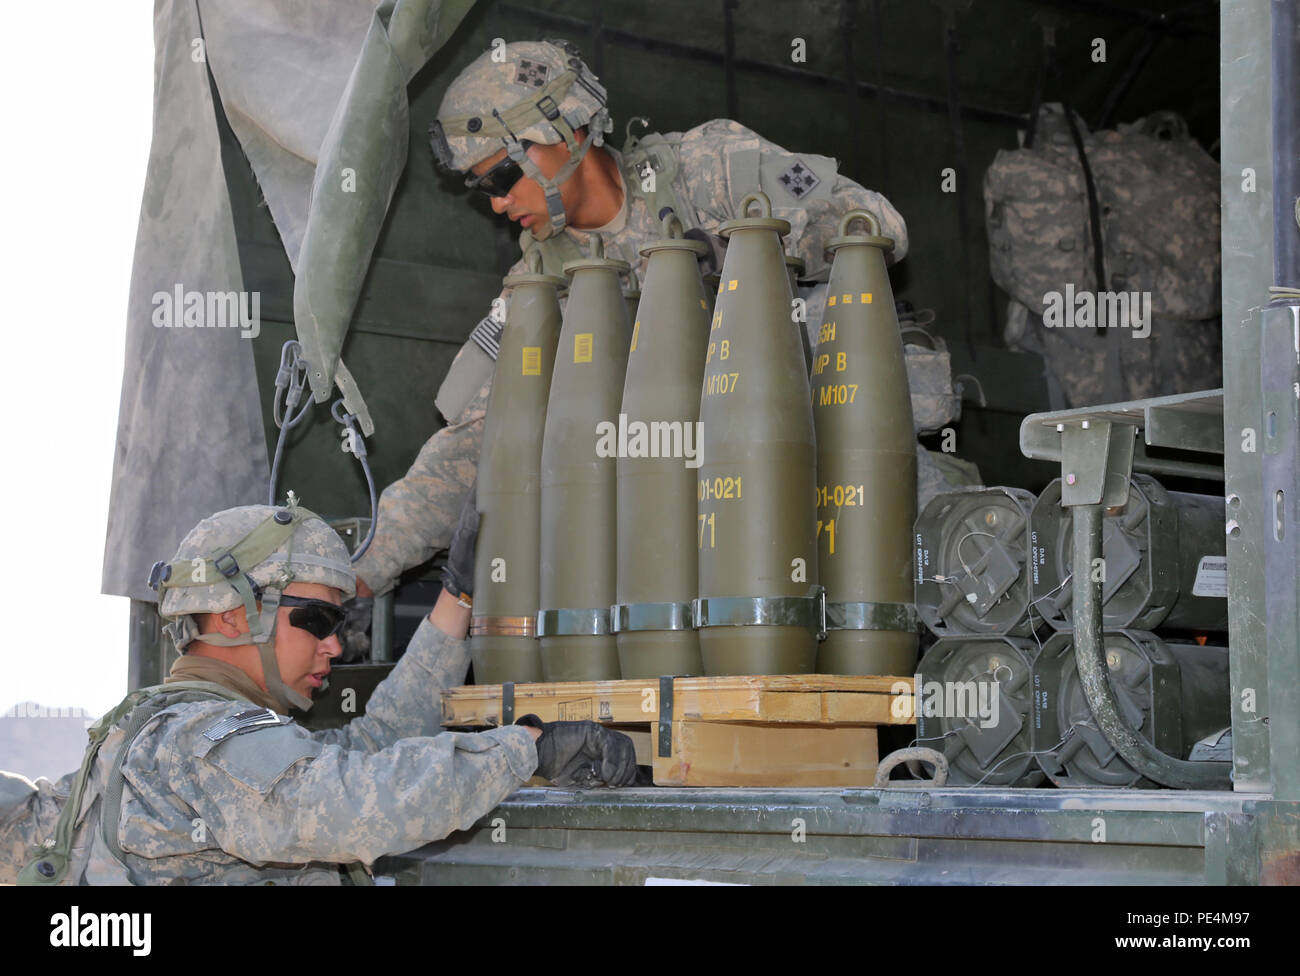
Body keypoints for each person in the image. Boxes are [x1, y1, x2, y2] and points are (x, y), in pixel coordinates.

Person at [352, 37, 918, 598]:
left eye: (501, 177)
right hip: (672, 524)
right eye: (483, 191)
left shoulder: (708, 166)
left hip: (805, 465)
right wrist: (357, 571)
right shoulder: (540, 287)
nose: (498, 204)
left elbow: (876, 223)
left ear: (564, 134)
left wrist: (747, 256)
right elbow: (467, 449)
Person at [0, 500, 637, 885]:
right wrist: (525, 747)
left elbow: (372, 746)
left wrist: (457, 600)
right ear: (231, 617)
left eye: (342, 627)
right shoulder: (199, 744)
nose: (335, 647)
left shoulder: (163, 731)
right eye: (319, 623)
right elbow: (353, 805)